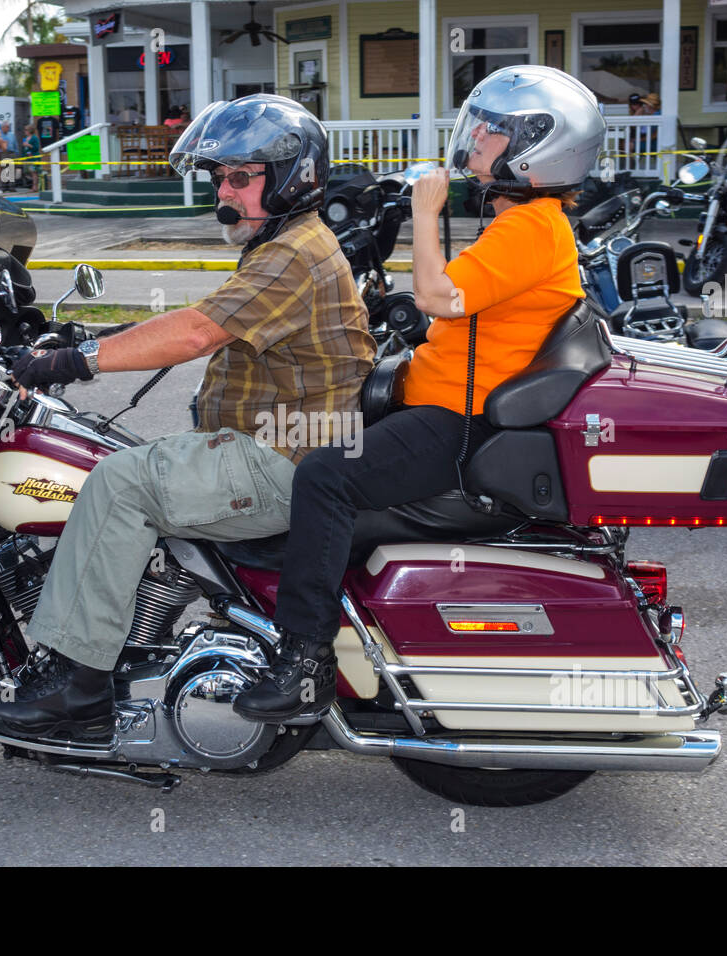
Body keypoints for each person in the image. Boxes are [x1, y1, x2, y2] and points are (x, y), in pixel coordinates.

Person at [0, 94, 376, 742]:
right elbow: (211, 318)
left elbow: (195, 331)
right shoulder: (287, 242)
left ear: (289, 177)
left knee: (118, 483)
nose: (225, 192)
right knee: (119, 457)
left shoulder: (293, 252)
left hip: (281, 459)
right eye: (219, 178)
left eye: (240, 177)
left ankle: (79, 690)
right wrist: (84, 338)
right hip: (284, 447)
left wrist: (76, 360)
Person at [232, 65, 605, 721]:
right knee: (306, 442)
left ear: (538, 148)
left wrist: (426, 213)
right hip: (446, 405)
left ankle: (304, 661)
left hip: (457, 421)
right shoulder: (526, 225)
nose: (477, 138)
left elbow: (439, 296)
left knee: (324, 476)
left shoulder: (532, 226)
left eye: (495, 131)